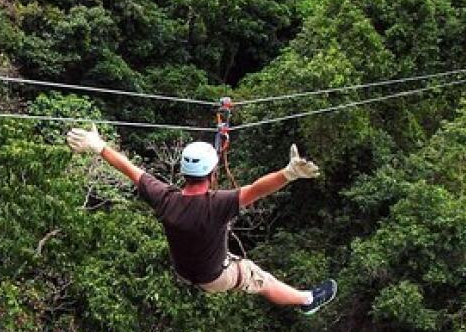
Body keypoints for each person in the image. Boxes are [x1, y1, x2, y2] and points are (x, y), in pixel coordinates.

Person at [66, 125, 337, 315]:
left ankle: (296, 295)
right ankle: (307, 300)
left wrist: (99, 146)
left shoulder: (165, 199)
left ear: (183, 171)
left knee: (226, 256)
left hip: (185, 271)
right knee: (257, 276)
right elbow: (257, 189)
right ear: (212, 173)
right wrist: (289, 173)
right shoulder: (217, 205)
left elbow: (130, 169)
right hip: (212, 277)